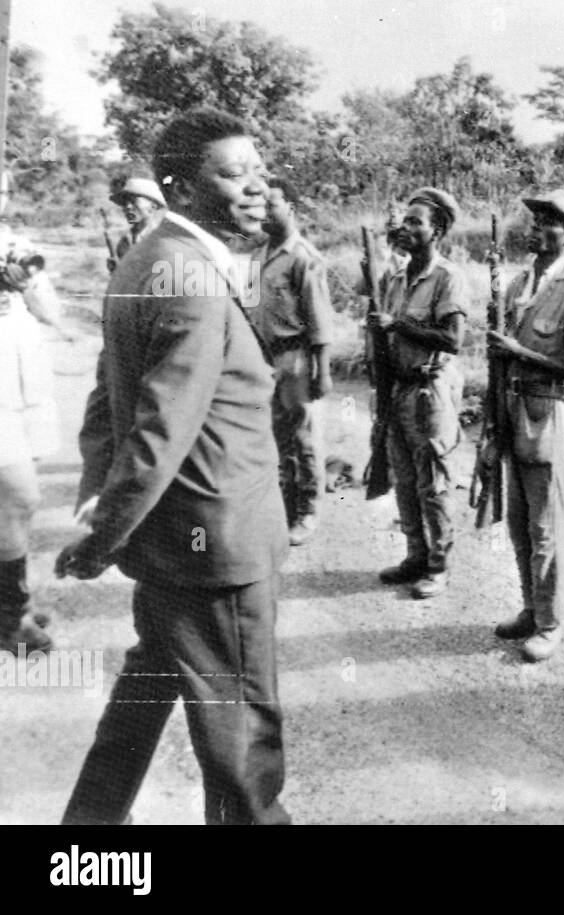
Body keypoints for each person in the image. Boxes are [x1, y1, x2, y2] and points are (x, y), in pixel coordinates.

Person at [58, 107, 291, 825]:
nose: (257, 186)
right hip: (212, 551)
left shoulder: (150, 256)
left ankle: (84, 844)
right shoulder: (187, 277)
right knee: (244, 750)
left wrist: (103, 499)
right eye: (233, 173)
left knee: (138, 706)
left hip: (173, 548)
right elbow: (160, 431)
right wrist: (103, 536)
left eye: (256, 168)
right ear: (182, 189)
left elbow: (108, 397)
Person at [488, 190, 564, 664]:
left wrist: (519, 354)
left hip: (549, 414)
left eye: (548, 222)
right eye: (534, 220)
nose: (535, 228)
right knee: (519, 520)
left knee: (545, 525)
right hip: (512, 411)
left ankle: (551, 621)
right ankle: (532, 608)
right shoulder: (519, 283)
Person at [366, 187, 467, 599]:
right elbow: (381, 334)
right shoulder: (394, 277)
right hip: (398, 389)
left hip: (430, 390)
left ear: (437, 230)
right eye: (404, 221)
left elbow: (453, 339)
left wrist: (398, 325)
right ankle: (415, 556)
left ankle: (440, 566)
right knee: (403, 479)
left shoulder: (447, 277)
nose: (406, 229)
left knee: (434, 482)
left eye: (416, 222)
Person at [0, 226, 76, 653]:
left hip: (26, 392)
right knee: (19, 498)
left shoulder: (13, 241)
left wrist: (27, 284)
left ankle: (9, 605)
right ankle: (12, 618)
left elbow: (51, 311)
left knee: (13, 509)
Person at [252, 176, 334, 545]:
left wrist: (323, 370)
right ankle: (283, 508)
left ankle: (308, 510)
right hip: (265, 358)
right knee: (275, 438)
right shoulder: (260, 254)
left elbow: (320, 320)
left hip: (297, 356)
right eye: (260, 206)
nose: (264, 212)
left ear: (291, 209)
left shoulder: (303, 257)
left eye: (271, 204)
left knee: (305, 439)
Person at [108, 176, 167, 270]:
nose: (128, 207)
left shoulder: (162, 241)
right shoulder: (125, 243)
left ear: (153, 207)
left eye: (133, 201)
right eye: (125, 203)